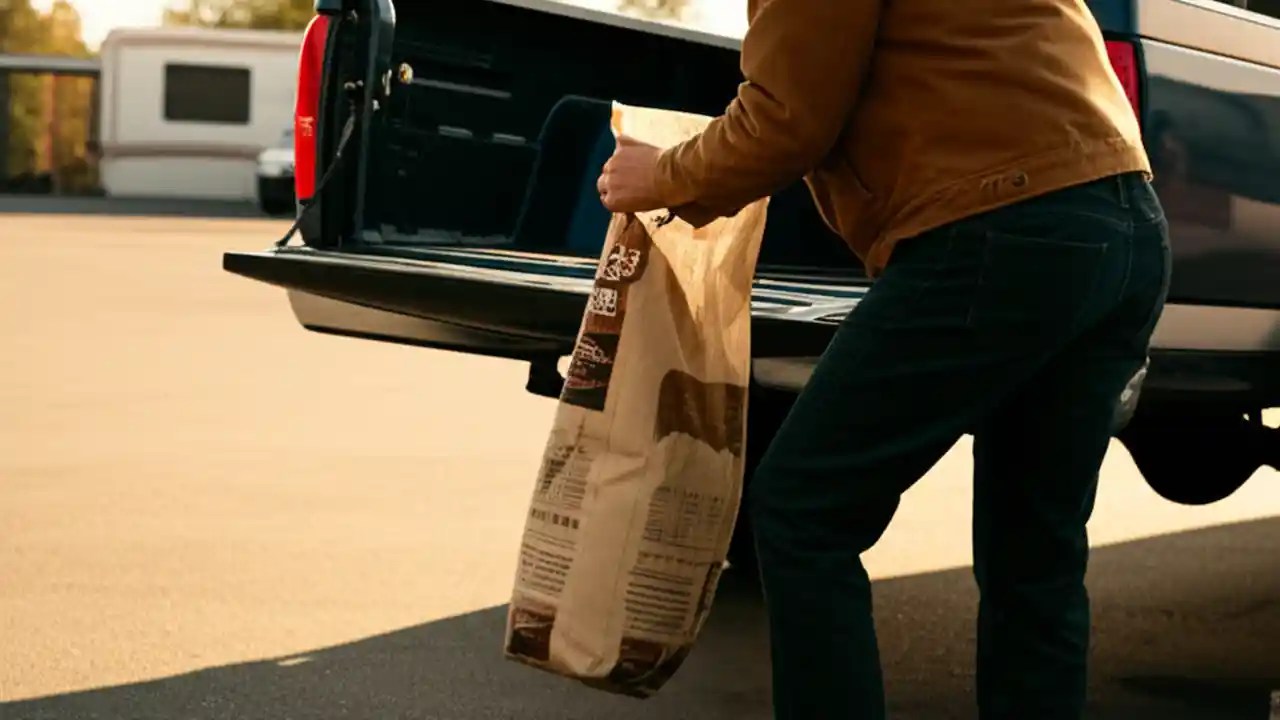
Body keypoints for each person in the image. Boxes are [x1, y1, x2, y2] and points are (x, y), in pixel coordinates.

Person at [595, 0, 1171, 718]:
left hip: (1003, 230)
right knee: (1035, 555)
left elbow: (788, 122)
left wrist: (666, 175)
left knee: (804, 509)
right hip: (1123, 227)